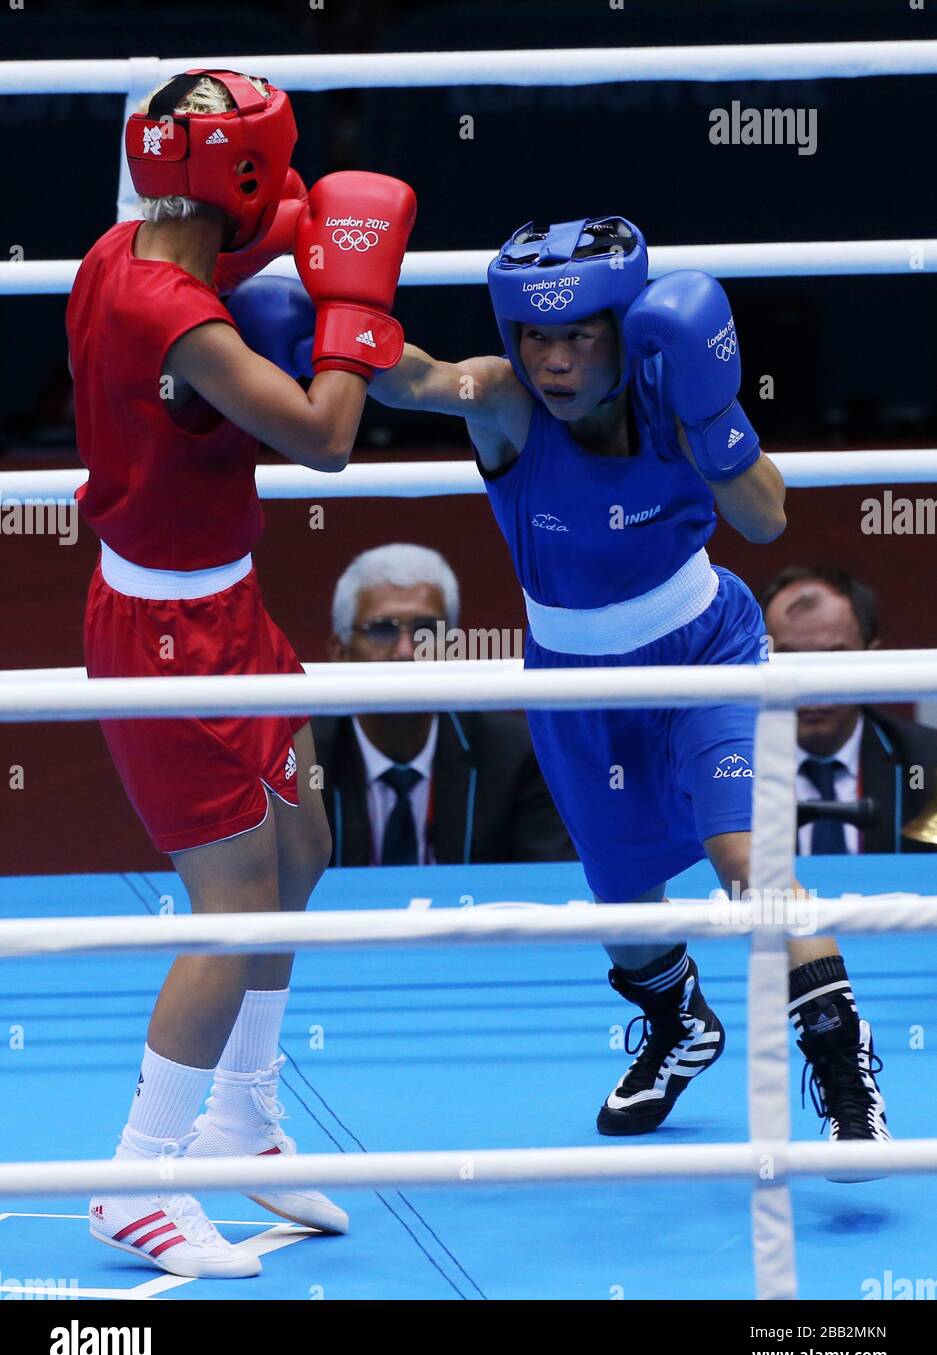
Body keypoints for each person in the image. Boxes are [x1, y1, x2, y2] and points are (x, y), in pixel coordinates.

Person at [226, 216, 891, 1154]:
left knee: (750, 862)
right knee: (624, 905)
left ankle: (842, 1072)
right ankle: (678, 1025)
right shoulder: (503, 402)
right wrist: (323, 326)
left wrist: (713, 418)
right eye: (537, 335)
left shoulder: (676, 396)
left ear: (628, 330)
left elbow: (770, 519)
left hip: (705, 654)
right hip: (574, 682)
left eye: (579, 334)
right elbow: (414, 378)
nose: (555, 360)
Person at [66, 68, 415, 1277]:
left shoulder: (120, 248)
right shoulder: (174, 316)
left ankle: (244, 1122)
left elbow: (258, 233)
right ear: (245, 167)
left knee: (304, 846)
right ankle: (137, 1177)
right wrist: (357, 305)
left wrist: (303, 242)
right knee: (235, 904)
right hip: (163, 639)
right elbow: (322, 438)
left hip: (230, 607)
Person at [317, 543, 576, 865]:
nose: (405, 650)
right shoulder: (306, 760)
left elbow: (543, 894)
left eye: (426, 631)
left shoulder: (519, 755)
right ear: (339, 653)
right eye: (382, 629)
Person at [763, 565, 937, 853]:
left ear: (871, 659)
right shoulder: (724, 767)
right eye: (789, 661)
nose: (813, 688)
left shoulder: (929, 762)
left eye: (833, 660)